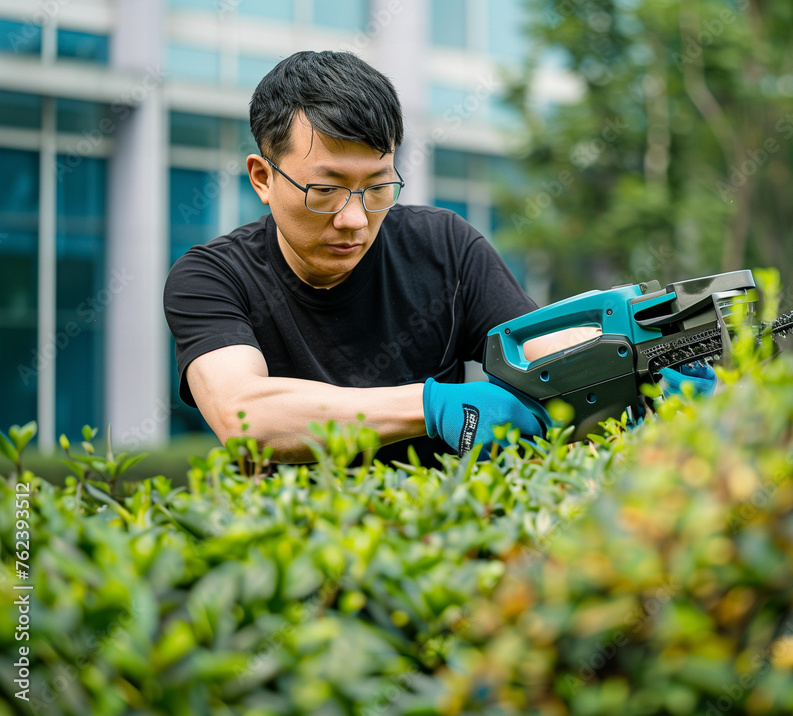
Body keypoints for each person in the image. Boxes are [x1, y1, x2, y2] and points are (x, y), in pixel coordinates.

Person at [163, 50, 714, 466]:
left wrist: (633, 357)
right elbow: (246, 416)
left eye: (377, 188)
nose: (355, 219)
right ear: (263, 177)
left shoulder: (443, 248)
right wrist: (434, 407)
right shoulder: (212, 278)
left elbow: (535, 351)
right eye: (325, 190)